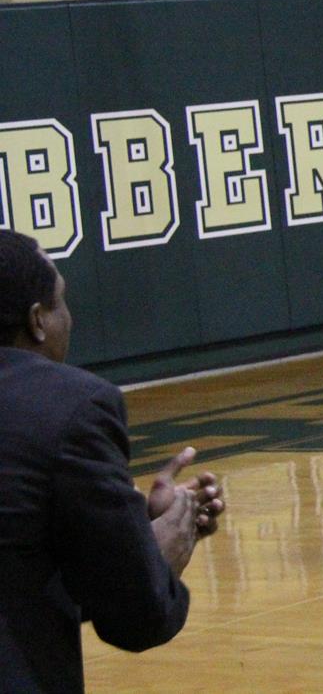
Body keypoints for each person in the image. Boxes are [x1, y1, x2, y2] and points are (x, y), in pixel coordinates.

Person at [0, 230, 226, 693]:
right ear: (38, 320)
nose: (70, 316)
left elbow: (19, 568)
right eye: (62, 301)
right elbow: (136, 617)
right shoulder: (72, 406)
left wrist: (125, 535)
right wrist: (155, 555)